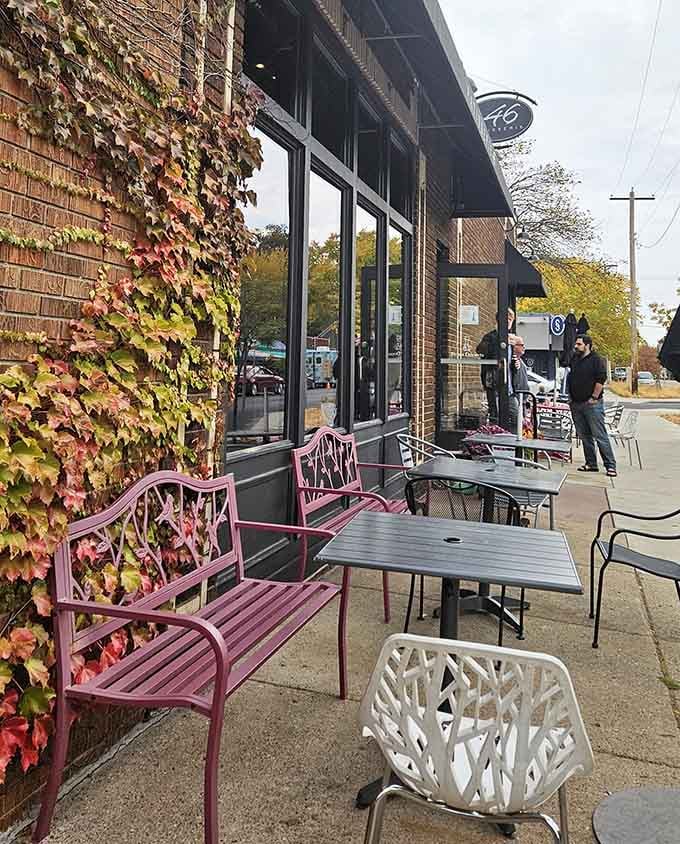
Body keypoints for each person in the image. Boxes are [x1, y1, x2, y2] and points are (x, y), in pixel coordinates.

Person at [568, 334, 617, 477]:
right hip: (576, 403)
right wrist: (571, 398)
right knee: (585, 436)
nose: (576, 346)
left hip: (592, 404)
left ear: (587, 345)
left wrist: (594, 397)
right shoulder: (575, 359)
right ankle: (591, 463)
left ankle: (610, 465)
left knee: (600, 435)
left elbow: (600, 380)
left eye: (579, 344)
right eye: (576, 344)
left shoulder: (596, 360)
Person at [477, 308, 517, 425]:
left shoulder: (511, 339)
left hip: (509, 388)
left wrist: (516, 364)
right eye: (506, 319)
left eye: (510, 319)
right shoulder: (490, 337)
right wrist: (500, 341)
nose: (508, 322)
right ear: (498, 321)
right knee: (495, 417)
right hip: (494, 384)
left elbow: (509, 364)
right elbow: (480, 350)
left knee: (515, 417)